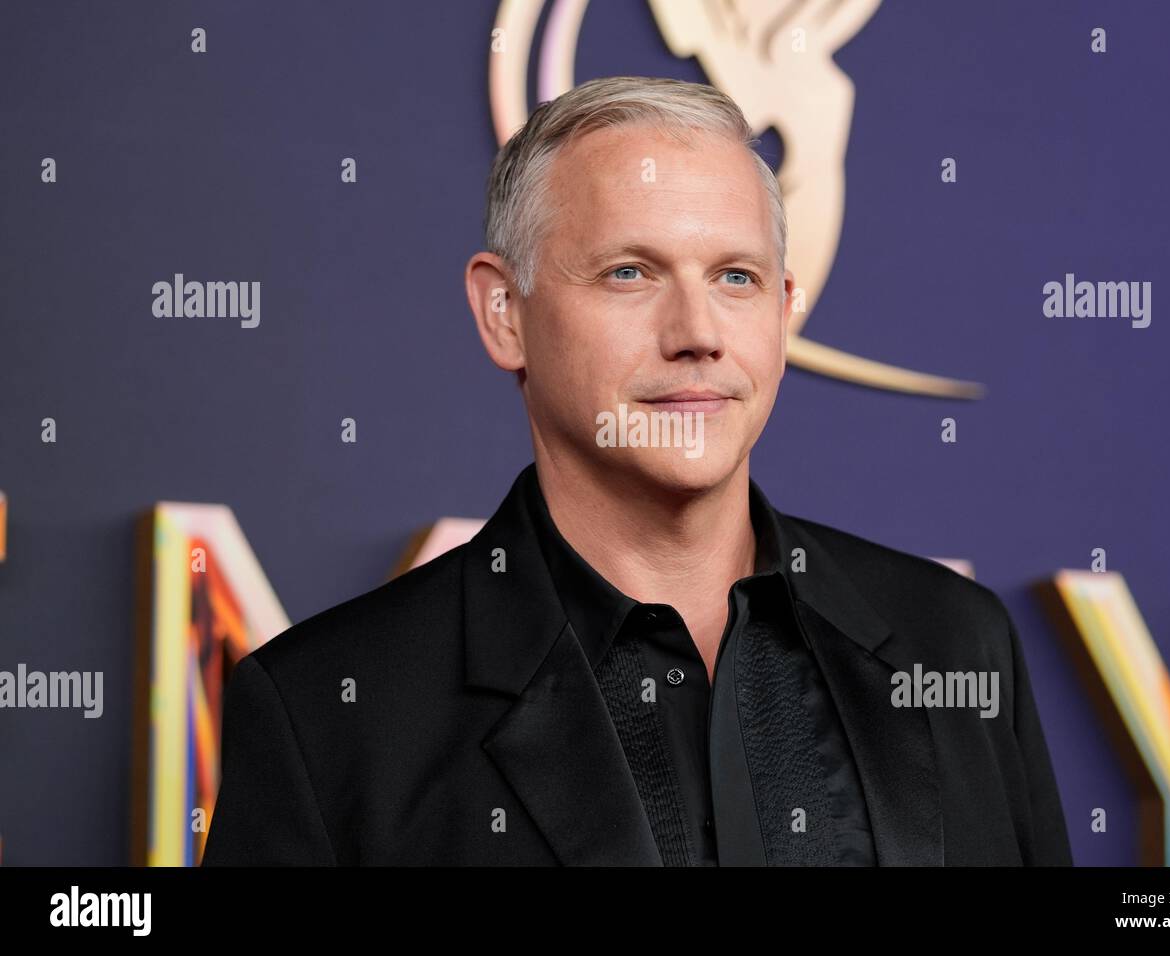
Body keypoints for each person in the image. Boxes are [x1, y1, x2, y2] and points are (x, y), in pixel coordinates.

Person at [203, 75, 1072, 866]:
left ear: (781, 309)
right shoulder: (328, 714)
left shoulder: (955, 642)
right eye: (630, 272)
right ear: (504, 313)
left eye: (735, 276)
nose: (697, 331)